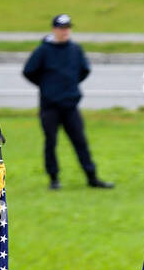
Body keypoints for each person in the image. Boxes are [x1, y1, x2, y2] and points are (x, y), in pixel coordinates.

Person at [23, 14, 114, 192]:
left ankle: (92, 177)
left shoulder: (75, 49)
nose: (65, 32)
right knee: (51, 142)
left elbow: (84, 70)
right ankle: (54, 178)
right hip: (50, 106)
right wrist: (47, 86)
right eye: (61, 28)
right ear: (54, 29)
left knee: (80, 141)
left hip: (70, 105)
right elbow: (29, 71)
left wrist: (70, 85)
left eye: (67, 28)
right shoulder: (43, 50)